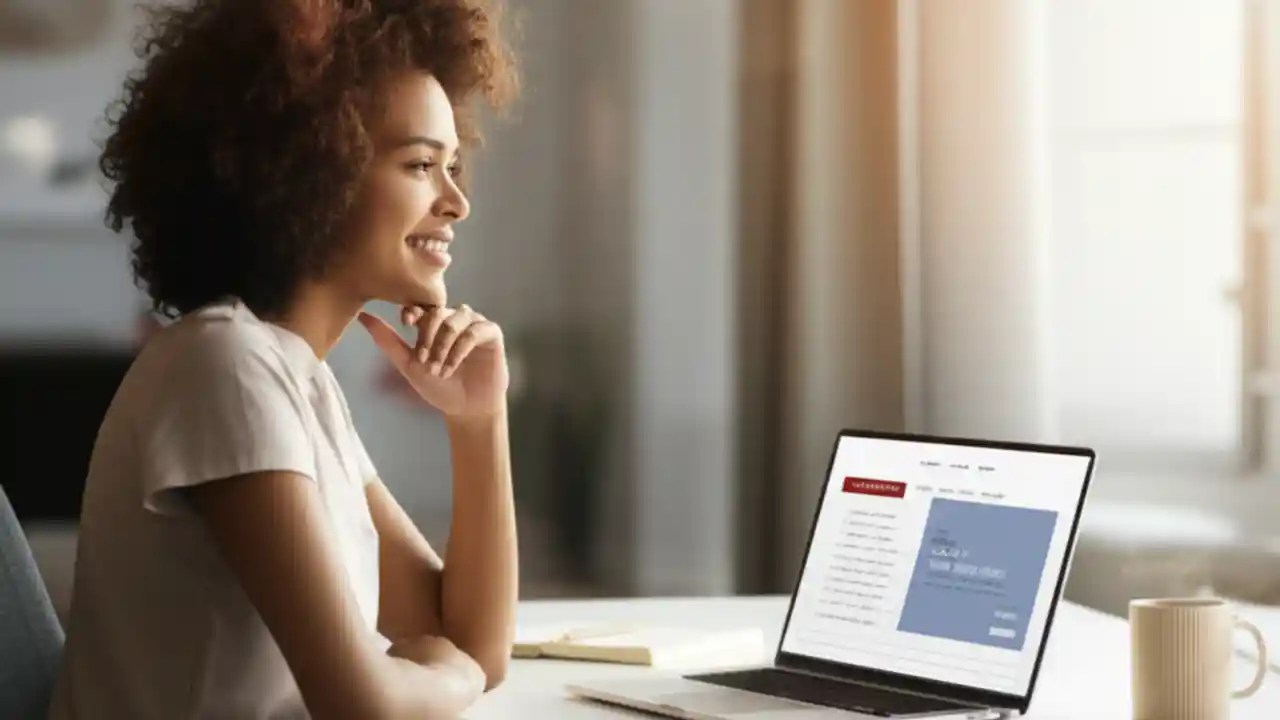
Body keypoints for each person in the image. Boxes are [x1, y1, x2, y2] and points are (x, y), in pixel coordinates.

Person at [49, 1, 519, 718]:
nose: (455, 202)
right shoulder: (225, 366)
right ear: (312, 169)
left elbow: (470, 644)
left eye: (452, 166)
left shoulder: (296, 380)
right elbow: (362, 702)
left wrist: (480, 420)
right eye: (422, 164)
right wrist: (448, 678)